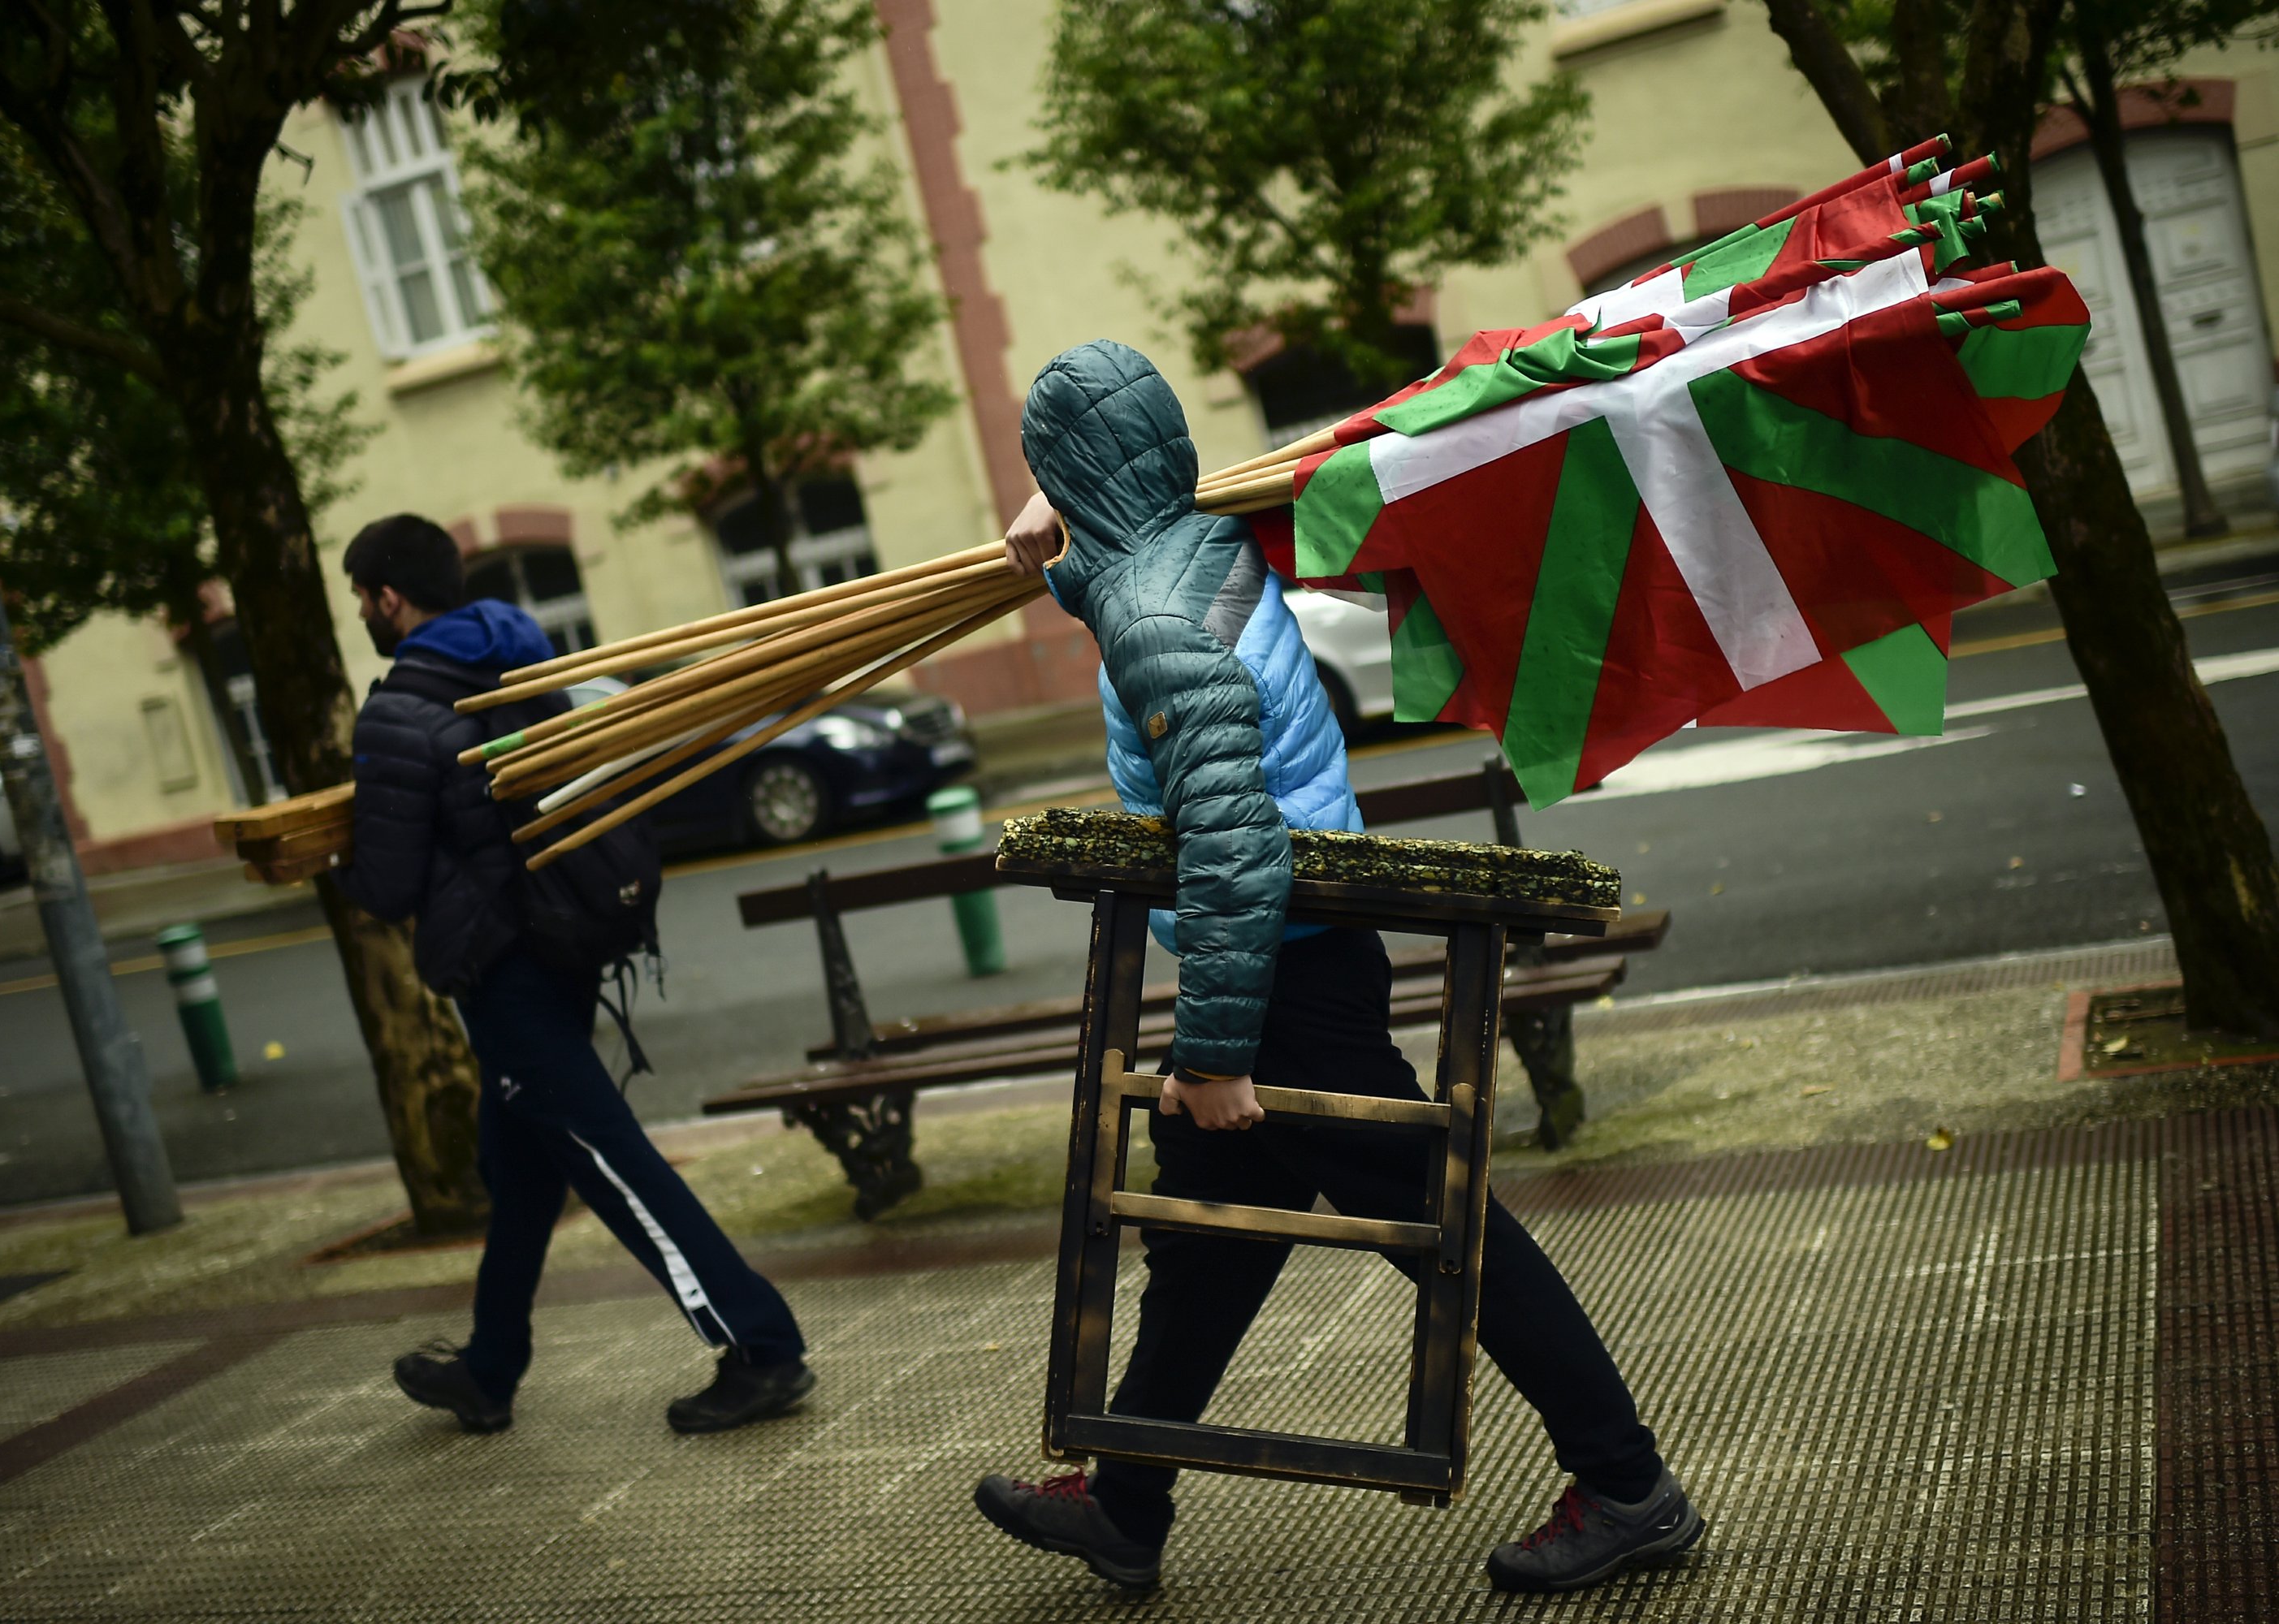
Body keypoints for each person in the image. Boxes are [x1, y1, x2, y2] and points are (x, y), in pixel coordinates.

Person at [969, 344, 1702, 1595]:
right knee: (1204, 1245)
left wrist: (1209, 1054)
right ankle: (1128, 1501)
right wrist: (1060, 550)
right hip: (1296, 961)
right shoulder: (1196, 551)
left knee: (1448, 1226)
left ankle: (1629, 1486)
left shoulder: (1153, 618)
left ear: (1066, 471)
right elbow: (1135, 605)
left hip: (1283, 982)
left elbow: (1235, 848)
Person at [331, 513, 814, 1438]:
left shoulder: (399, 709)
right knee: (517, 1169)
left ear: (389, 598)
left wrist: (330, 859)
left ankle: (760, 1346)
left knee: (608, 1156)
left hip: (501, 967)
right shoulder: (526, 660)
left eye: (361, 594)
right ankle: (488, 1366)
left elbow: (387, 886)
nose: (361, 608)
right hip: (565, 937)